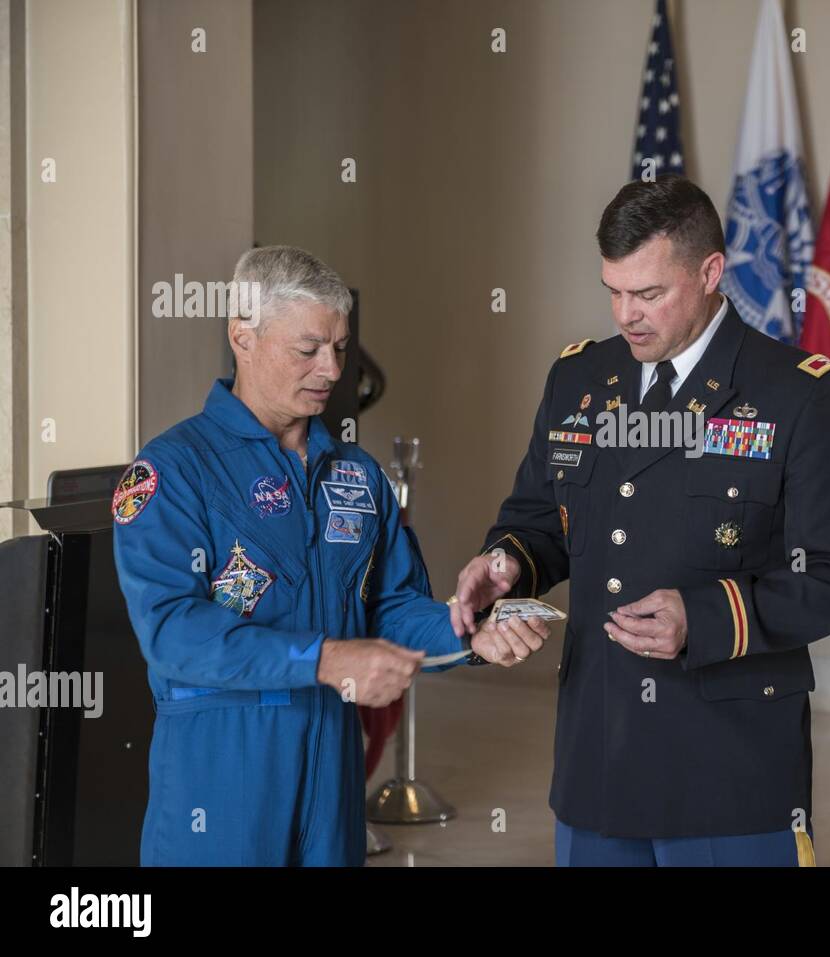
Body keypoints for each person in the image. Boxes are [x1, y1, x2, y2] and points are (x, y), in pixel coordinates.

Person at [449, 175, 830, 866]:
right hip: (598, 760)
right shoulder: (578, 380)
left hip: (731, 770)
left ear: (712, 272)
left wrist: (702, 618)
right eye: (613, 290)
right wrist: (504, 564)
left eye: (648, 293)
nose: (626, 314)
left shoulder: (799, 393)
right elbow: (538, 518)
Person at [113, 245, 545, 866]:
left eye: (340, 347)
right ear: (243, 336)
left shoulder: (359, 477)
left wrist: (470, 629)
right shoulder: (172, 470)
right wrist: (324, 658)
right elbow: (173, 632)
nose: (332, 368)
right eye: (308, 348)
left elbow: (391, 609)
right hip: (221, 776)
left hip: (333, 774)